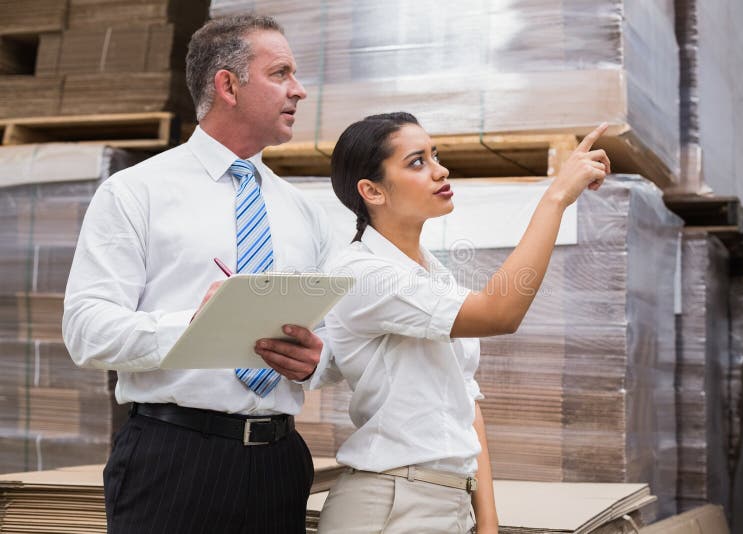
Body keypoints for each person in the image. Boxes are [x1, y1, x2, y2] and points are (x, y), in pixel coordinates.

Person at [62, 15, 333, 534]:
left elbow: (333, 340)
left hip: (280, 463)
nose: (299, 90)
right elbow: (86, 331)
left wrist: (316, 362)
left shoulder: (304, 211)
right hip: (174, 460)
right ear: (227, 85)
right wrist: (197, 327)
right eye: (281, 73)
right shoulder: (135, 193)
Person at [316, 112, 610, 533]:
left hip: (449, 504)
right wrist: (555, 197)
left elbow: (465, 402)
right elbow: (499, 313)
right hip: (392, 506)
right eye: (417, 162)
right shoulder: (363, 274)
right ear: (372, 191)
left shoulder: (433, 274)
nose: (440, 170)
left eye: (435, 155)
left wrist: (487, 524)